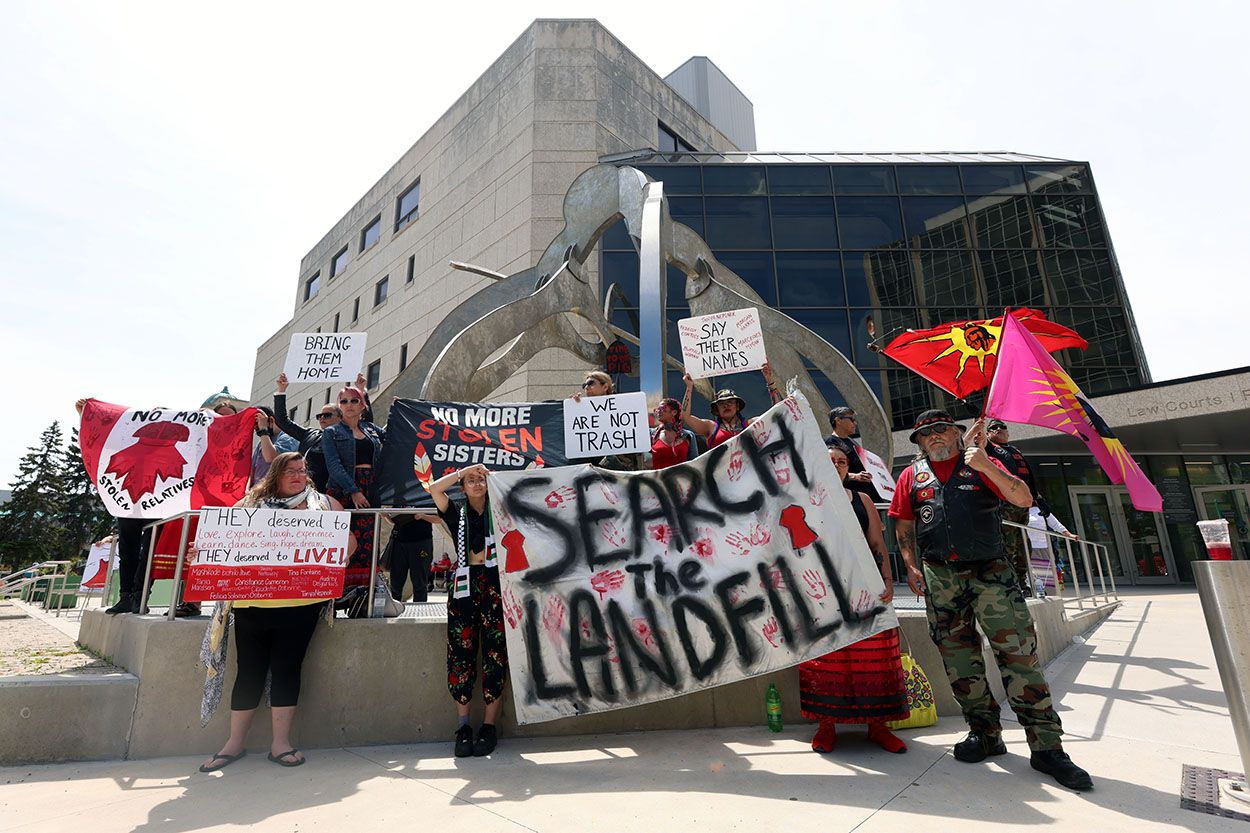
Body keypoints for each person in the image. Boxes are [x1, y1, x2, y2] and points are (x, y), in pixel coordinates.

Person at [889, 410, 1092, 791]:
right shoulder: (910, 476)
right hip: (940, 577)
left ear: (956, 432)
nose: (933, 436)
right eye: (925, 433)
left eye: (941, 429)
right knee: (959, 661)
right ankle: (984, 733)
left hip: (990, 574)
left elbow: (1023, 497)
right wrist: (911, 566)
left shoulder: (982, 463)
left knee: (1018, 657)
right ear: (917, 441)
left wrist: (984, 463)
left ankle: (1047, 747)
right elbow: (904, 523)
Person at [199, 452, 346, 772]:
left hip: (300, 604)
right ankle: (233, 743)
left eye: (302, 470)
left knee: (287, 669)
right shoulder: (249, 506)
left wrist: (338, 553)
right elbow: (223, 541)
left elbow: (348, 544)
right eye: (290, 470)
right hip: (252, 602)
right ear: (275, 474)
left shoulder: (325, 505)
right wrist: (205, 551)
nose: (297, 475)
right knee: (248, 671)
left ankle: (280, 744)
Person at [801, 446, 908, 754]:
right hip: (824, 590)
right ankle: (826, 725)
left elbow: (877, 543)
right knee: (826, 656)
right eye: (829, 460)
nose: (835, 465)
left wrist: (887, 582)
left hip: (865, 588)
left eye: (842, 461)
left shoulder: (862, 501)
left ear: (848, 467)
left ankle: (878, 726)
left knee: (876, 657)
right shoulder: (805, 499)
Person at [428, 463, 507, 758]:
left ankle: (488, 726)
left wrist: (492, 478)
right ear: (462, 486)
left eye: (481, 479)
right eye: (470, 481)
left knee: (494, 652)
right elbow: (434, 488)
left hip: (494, 582)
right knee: (461, 652)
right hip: (464, 584)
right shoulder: (455, 512)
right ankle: (463, 726)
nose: (476, 484)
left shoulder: (499, 509)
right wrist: (464, 471)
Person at [322, 385, 386, 587]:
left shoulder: (371, 430)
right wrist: (354, 491)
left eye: (354, 400)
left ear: (363, 405)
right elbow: (334, 465)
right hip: (343, 489)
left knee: (368, 542)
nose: (349, 405)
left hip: (371, 487)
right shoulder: (331, 432)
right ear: (339, 407)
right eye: (344, 401)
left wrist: (399, 409)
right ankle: (337, 592)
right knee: (342, 541)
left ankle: (365, 592)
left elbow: (395, 438)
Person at [273, 372, 373, 493]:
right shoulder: (310, 434)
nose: (322, 418)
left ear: (340, 416)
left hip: (333, 491)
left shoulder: (350, 434)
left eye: (327, 415)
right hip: (305, 489)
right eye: (319, 416)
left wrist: (362, 391)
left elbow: (367, 424)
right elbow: (283, 422)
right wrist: (281, 390)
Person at [985, 419, 1041, 595]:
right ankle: (1008, 583)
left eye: (1002, 427)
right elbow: (978, 438)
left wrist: (1037, 498)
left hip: (1022, 505)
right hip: (1004, 504)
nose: (999, 429)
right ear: (988, 434)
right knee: (1007, 545)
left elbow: (1027, 476)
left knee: (1023, 545)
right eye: (993, 428)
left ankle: (1022, 583)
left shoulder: (1015, 450)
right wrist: (979, 420)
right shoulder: (989, 448)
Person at [680, 362, 781, 449]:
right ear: (716, 409)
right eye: (722, 404)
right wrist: (689, 387)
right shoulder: (710, 427)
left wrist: (769, 380)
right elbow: (686, 417)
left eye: (730, 402)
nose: (726, 406)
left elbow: (776, 414)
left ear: (737, 406)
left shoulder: (749, 425)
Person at [824, 406, 881, 501]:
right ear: (838, 421)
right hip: (851, 498)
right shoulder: (830, 442)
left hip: (868, 496)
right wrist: (856, 476)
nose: (855, 423)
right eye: (851, 419)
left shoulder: (853, 442)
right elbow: (830, 470)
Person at [386, 510, 441, 602]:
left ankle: (419, 608)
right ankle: (394, 606)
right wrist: (386, 516)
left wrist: (422, 516)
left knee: (419, 580)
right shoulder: (397, 499)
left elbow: (439, 519)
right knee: (396, 579)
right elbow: (393, 521)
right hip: (399, 542)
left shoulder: (423, 499)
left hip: (421, 542)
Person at [1026, 503, 1077, 594]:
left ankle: (1051, 595)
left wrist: (1069, 535)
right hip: (1028, 547)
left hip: (1044, 546)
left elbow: (1056, 524)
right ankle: (1034, 594)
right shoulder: (1020, 510)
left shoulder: (1042, 510)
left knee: (1047, 575)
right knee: (1032, 574)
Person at [252, 407, 299, 485]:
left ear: (271, 420)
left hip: (277, 490)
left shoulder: (288, 437)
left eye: (259, 423)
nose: (256, 427)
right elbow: (252, 469)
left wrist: (263, 430)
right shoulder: (261, 444)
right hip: (259, 491)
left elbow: (270, 457)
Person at [650, 398, 698, 469]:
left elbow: (695, 464)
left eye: (662, 408)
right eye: (657, 409)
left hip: (681, 479)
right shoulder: (651, 434)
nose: (659, 411)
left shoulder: (688, 436)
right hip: (658, 479)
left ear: (674, 412)